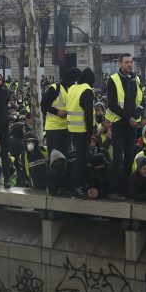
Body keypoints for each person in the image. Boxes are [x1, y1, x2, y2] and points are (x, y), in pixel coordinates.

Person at [105, 54, 143, 200]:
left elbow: (141, 100)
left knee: (129, 158)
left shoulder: (136, 79)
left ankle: (126, 189)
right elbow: (112, 105)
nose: (129, 64)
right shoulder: (113, 79)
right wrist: (129, 118)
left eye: (131, 62)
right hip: (119, 124)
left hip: (131, 125)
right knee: (117, 158)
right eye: (126, 62)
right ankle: (112, 191)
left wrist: (136, 116)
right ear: (120, 64)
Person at [66, 68, 96, 197]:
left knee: (79, 158)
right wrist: (90, 130)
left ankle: (78, 184)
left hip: (72, 128)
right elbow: (88, 114)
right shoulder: (87, 90)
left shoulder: (72, 88)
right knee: (81, 160)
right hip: (83, 129)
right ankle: (77, 186)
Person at [41, 68, 78, 158]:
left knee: (65, 156)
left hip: (66, 128)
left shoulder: (72, 90)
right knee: (55, 158)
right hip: (54, 128)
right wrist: (57, 112)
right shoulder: (55, 88)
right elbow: (43, 104)